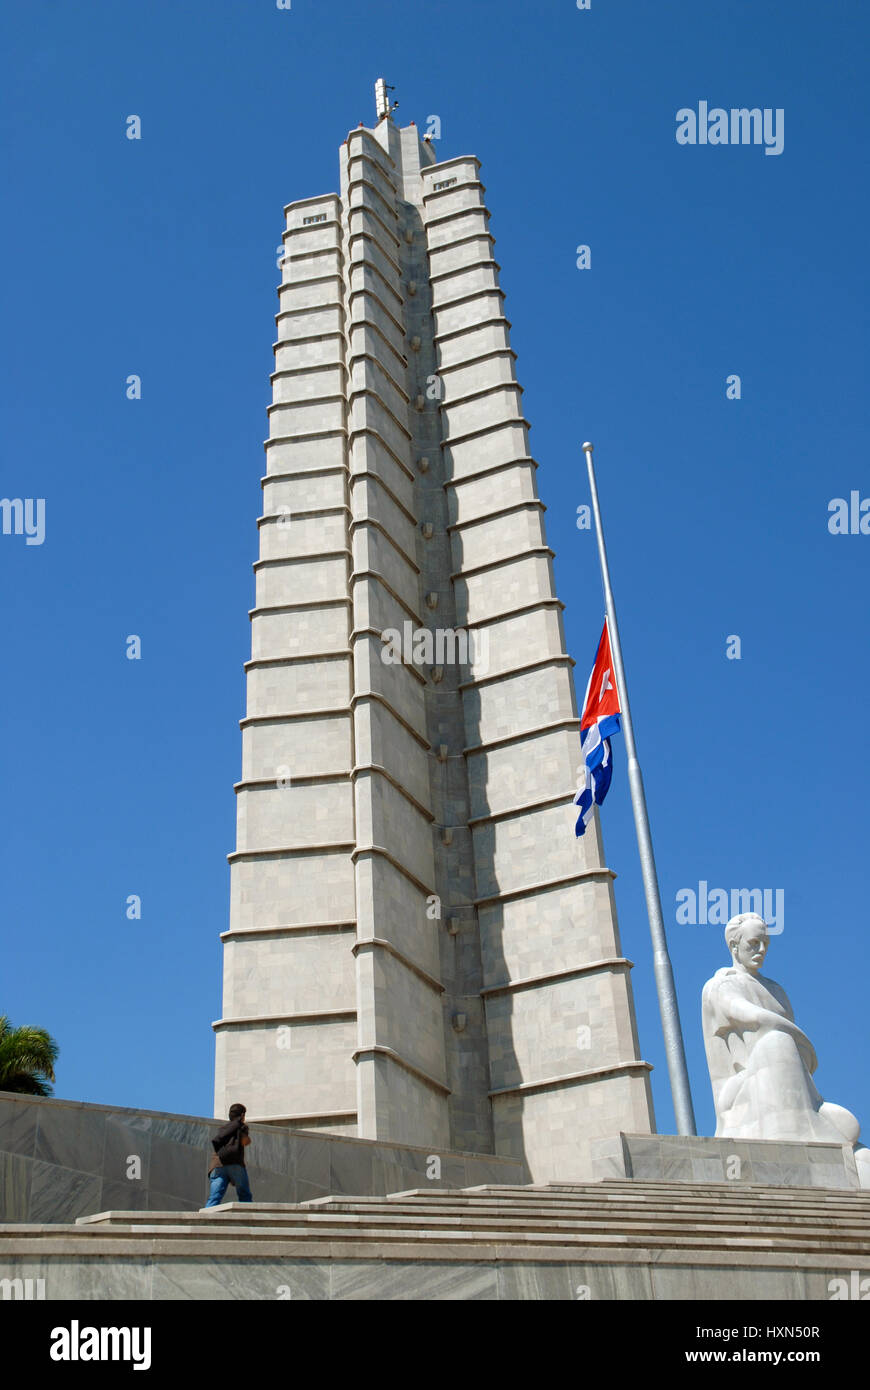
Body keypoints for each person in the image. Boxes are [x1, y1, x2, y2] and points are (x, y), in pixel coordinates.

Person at [205, 1102, 253, 1206]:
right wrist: (248, 1138)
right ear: (242, 1115)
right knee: (244, 1195)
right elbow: (245, 1141)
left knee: (214, 1197)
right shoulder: (241, 1126)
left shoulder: (224, 1128)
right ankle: (248, 1219)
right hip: (235, 1163)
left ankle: (206, 1218)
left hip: (217, 1164)